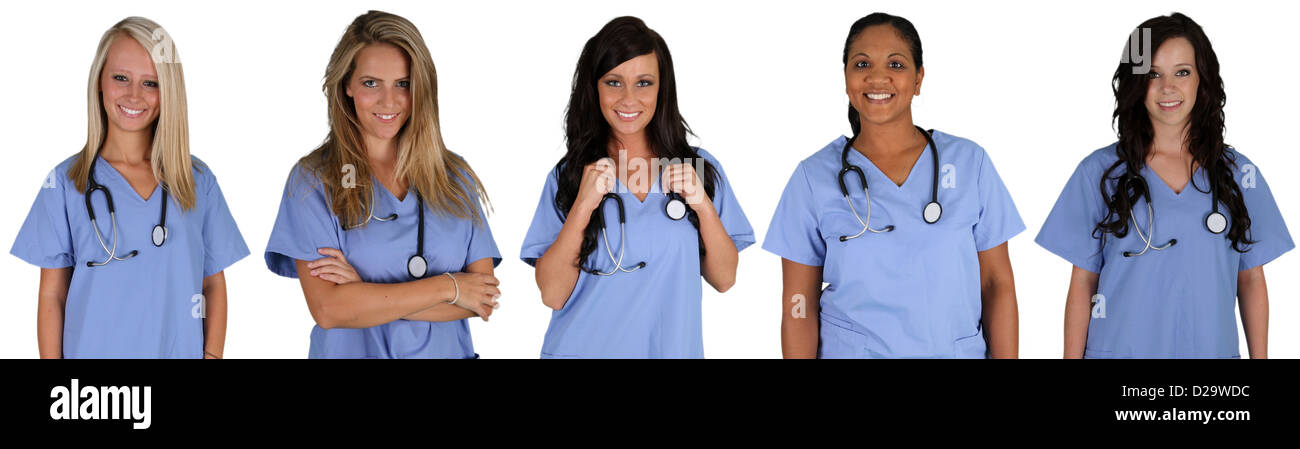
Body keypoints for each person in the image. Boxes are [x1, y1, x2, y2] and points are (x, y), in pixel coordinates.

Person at [763, 12, 1022, 359]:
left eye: (896, 65)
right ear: (846, 79)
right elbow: (798, 303)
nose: (878, 77)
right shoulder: (813, 178)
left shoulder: (969, 163)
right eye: (862, 64)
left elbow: (997, 284)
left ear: (918, 80)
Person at [1036, 13, 1292, 359]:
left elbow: (1250, 280)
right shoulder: (1098, 172)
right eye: (1152, 74)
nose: (1167, 87)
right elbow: (1083, 282)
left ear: (1203, 79)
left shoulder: (1238, 174)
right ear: (1135, 83)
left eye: (1182, 72)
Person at [265, 10, 501, 359]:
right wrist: (448, 287)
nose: (388, 102)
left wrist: (362, 293)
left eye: (403, 84)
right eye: (371, 83)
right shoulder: (314, 181)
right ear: (347, 85)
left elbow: (481, 298)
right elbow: (329, 310)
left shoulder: (455, 177)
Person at [10, 17, 249, 358]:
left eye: (150, 83)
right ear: (99, 83)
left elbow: (212, 283)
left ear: (168, 92)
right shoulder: (66, 183)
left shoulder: (196, 180)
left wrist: (211, 356)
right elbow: (53, 295)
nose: (134, 95)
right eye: (121, 78)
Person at [520, 16, 754, 358]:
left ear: (662, 88)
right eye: (614, 82)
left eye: (643, 82)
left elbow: (724, 279)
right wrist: (583, 207)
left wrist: (702, 204)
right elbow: (553, 294)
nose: (629, 99)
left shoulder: (698, 169)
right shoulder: (570, 175)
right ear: (594, 88)